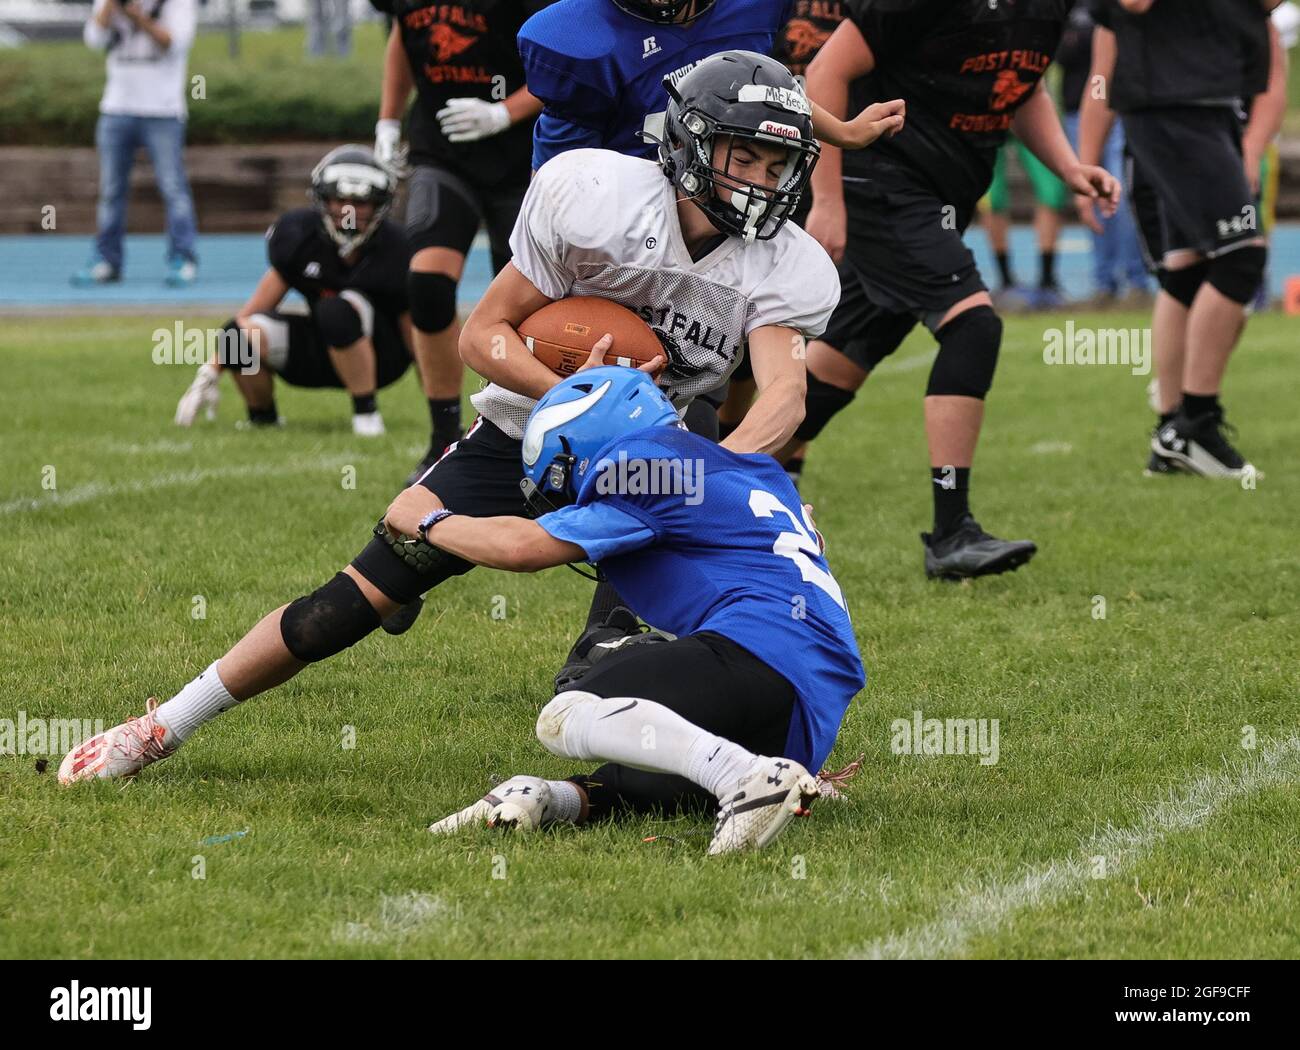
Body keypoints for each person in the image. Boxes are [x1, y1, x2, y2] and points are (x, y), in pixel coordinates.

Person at [57, 54, 842, 816]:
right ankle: (163, 726)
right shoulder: (596, 199)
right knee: (347, 603)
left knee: (712, 596)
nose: (763, 183)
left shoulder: (783, 264)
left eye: (779, 166)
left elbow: (782, 393)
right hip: (521, 430)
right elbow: (482, 335)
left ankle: (694, 709)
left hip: (654, 452)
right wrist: (576, 392)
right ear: (691, 144)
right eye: (747, 158)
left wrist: (718, 475)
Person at [420, 367, 865, 853]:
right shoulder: (747, 470)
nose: (566, 494)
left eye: (564, 476)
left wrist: (427, 520)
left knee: (566, 714)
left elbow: (521, 548)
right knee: (653, 779)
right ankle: (545, 796)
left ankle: (743, 774)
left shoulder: (644, 468)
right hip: (807, 710)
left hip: (758, 648)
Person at [791, 1, 1120, 580]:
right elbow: (825, 72)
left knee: (842, 363)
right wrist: (830, 199)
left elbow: (1020, 89)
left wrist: (1069, 168)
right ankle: (951, 533)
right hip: (884, 183)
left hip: (940, 195)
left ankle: (711, 487)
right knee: (973, 325)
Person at [1078, 0, 1275, 479]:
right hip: (1169, 115)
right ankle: (1195, 423)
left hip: (1211, 111)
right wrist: (1084, 162)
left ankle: (1172, 431)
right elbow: (1107, 66)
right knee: (1242, 258)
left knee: (1186, 274)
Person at [371, 0, 548, 480]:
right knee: (426, 284)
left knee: (527, 310)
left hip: (521, 160)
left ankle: (523, 434)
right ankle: (442, 437)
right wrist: (389, 119)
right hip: (441, 151)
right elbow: (404, 35)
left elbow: (563, 64)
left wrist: (502, 112)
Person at [173, 147, 416, 436]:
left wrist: (443, 408)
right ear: (322, 199)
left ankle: (366, 415)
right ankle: (262, 419)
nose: (348, 211)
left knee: (336, 308)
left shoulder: (399, 247)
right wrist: (212, 369)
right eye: (340, 199)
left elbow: (417, 333)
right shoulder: (299, 235)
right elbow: (249, 315)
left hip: (382, 357)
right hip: (318, 350)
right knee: (237, 336)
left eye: (361, 202)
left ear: (380, 204)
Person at [73, 0, 200, 288]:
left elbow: (174, 43)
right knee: (110, 189)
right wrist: (109, 6)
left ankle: (183, 257)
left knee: (173, 187)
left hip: (164, 111)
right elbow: (93, 39)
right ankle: (107, 260)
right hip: (116, 108)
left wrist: (136, 15)